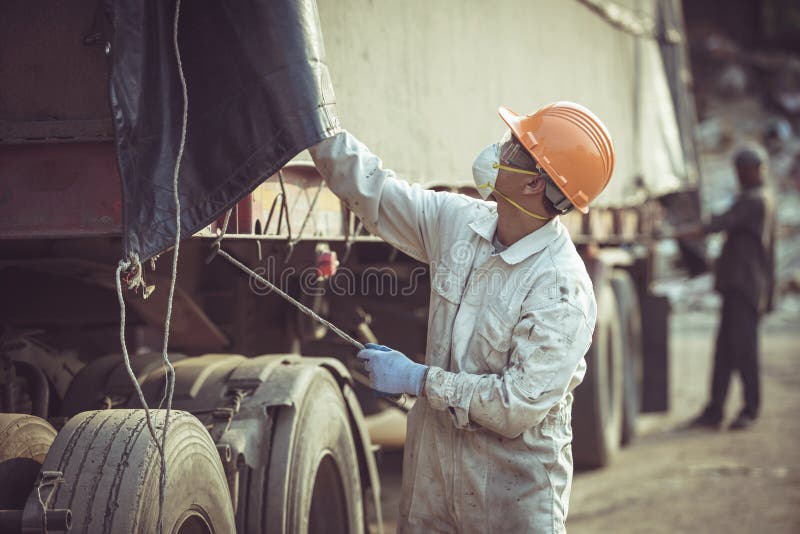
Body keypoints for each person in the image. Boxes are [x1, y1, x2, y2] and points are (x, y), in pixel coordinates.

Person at [309, 102, 615, 533]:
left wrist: (419, 379)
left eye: (514, 148)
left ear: (532, 183)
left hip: (511, 505)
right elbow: (374, 192)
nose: (499, 150)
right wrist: (315, 126)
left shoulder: (561, 290)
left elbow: (515, 406)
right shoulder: (460, 223)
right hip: (432, 494)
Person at [686, 145, 776, 431]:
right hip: (738, 288)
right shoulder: (758, 198)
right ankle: (715, 410)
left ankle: (750, 409)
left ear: (752, 170)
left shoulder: (756, 200)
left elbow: (721, 222)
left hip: (745, 289)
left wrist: (689, 231)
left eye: (743, 170)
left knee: (744, 352)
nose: (739, 176)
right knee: (724, 351)